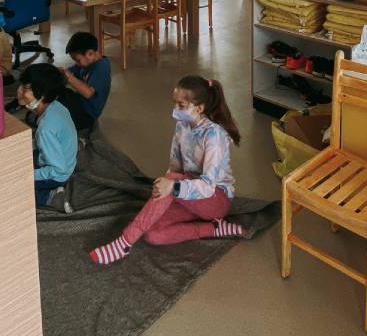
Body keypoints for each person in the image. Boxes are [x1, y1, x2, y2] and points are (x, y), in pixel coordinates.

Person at [89, 75, 245, 265]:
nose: (175, 110)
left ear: (199, 108)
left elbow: (208, 187)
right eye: (174, 104)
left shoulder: (215, 136)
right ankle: (213, 229)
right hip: (189, 194)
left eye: (180, 105)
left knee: (171, 180)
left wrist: (173, 185)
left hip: (215, 199)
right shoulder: (182, 126)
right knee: (153, 234)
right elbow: (175, 166)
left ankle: (123, 243)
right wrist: (167, 187)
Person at [21, 63, 76, 213]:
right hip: (66, 160)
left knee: (17, 188)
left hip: (59, 174)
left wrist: (27, 175)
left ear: (42, 95)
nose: (20, 91)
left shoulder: (45, 129)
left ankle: (51, 197)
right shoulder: (57, 106)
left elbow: (58, 169)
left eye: (25, 88)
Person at [60, 31, 111, 131]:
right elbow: (71, 71)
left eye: (78, 60)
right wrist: (60, 73)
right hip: (79, 103)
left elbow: (88, 93)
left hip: (87, 115)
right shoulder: (85, 64)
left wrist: (69, 77)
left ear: (90, 53)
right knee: (60, 96)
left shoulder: (102, 67)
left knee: (58, 111)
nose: (77, 64)